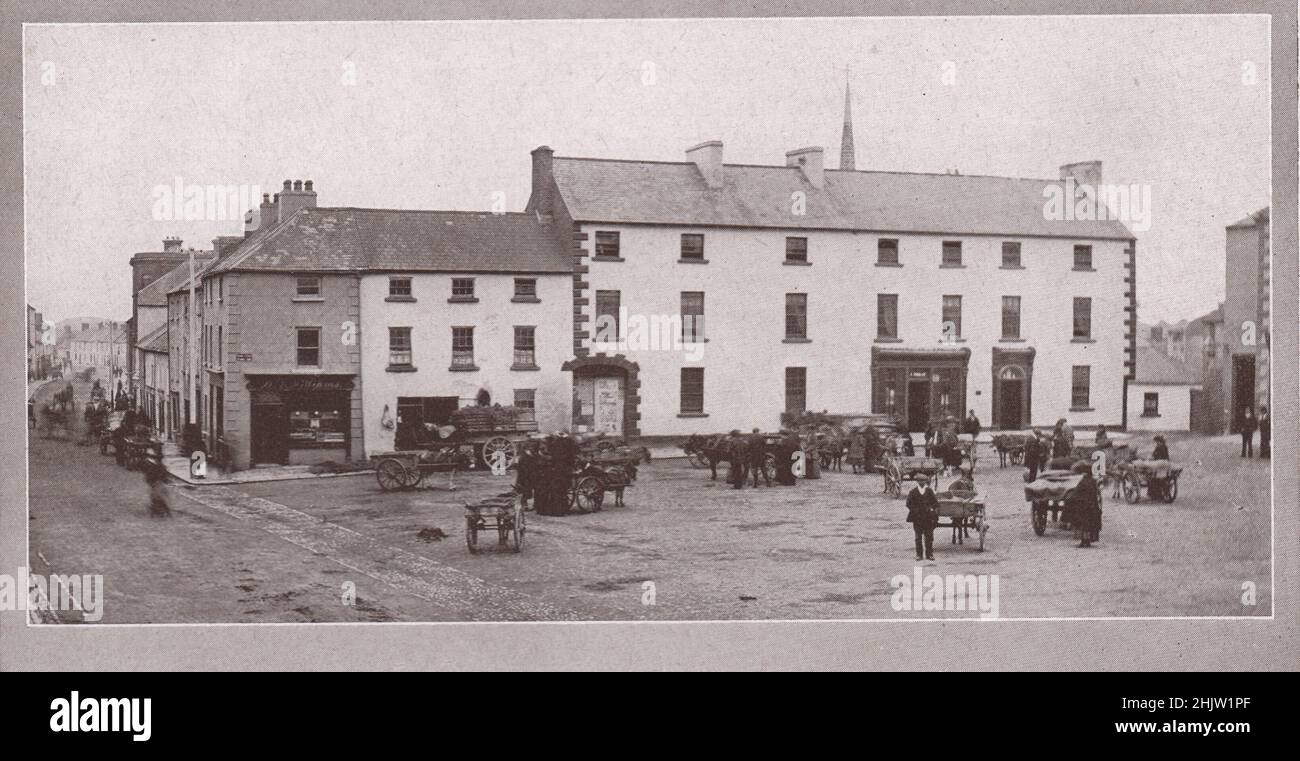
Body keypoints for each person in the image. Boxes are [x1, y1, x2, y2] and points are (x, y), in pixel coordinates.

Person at [906, 473, 939, 562]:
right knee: (918, 537)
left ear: (926, 481)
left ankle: (929, 554)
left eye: (923, 481)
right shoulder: (913, 492)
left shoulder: (929, 491)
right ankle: (919, 555)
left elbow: (935, 503)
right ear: (917, 481)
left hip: (928, 517)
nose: (922, 482)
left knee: (929, 536)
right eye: (920, 481)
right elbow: (908, 503)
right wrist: (915, 511)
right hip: (917, 518)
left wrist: (932, 510)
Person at [1068, 462, 1101, 548]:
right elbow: (1096, 494)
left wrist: (1071, 499)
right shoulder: (1093, 481)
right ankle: (1088, 541)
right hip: (1092, 506)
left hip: (1083, 506)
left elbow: (1076, 493)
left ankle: (1083, 541)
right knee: (1089, 525)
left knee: (1083, 525)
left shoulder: (1082, 482)